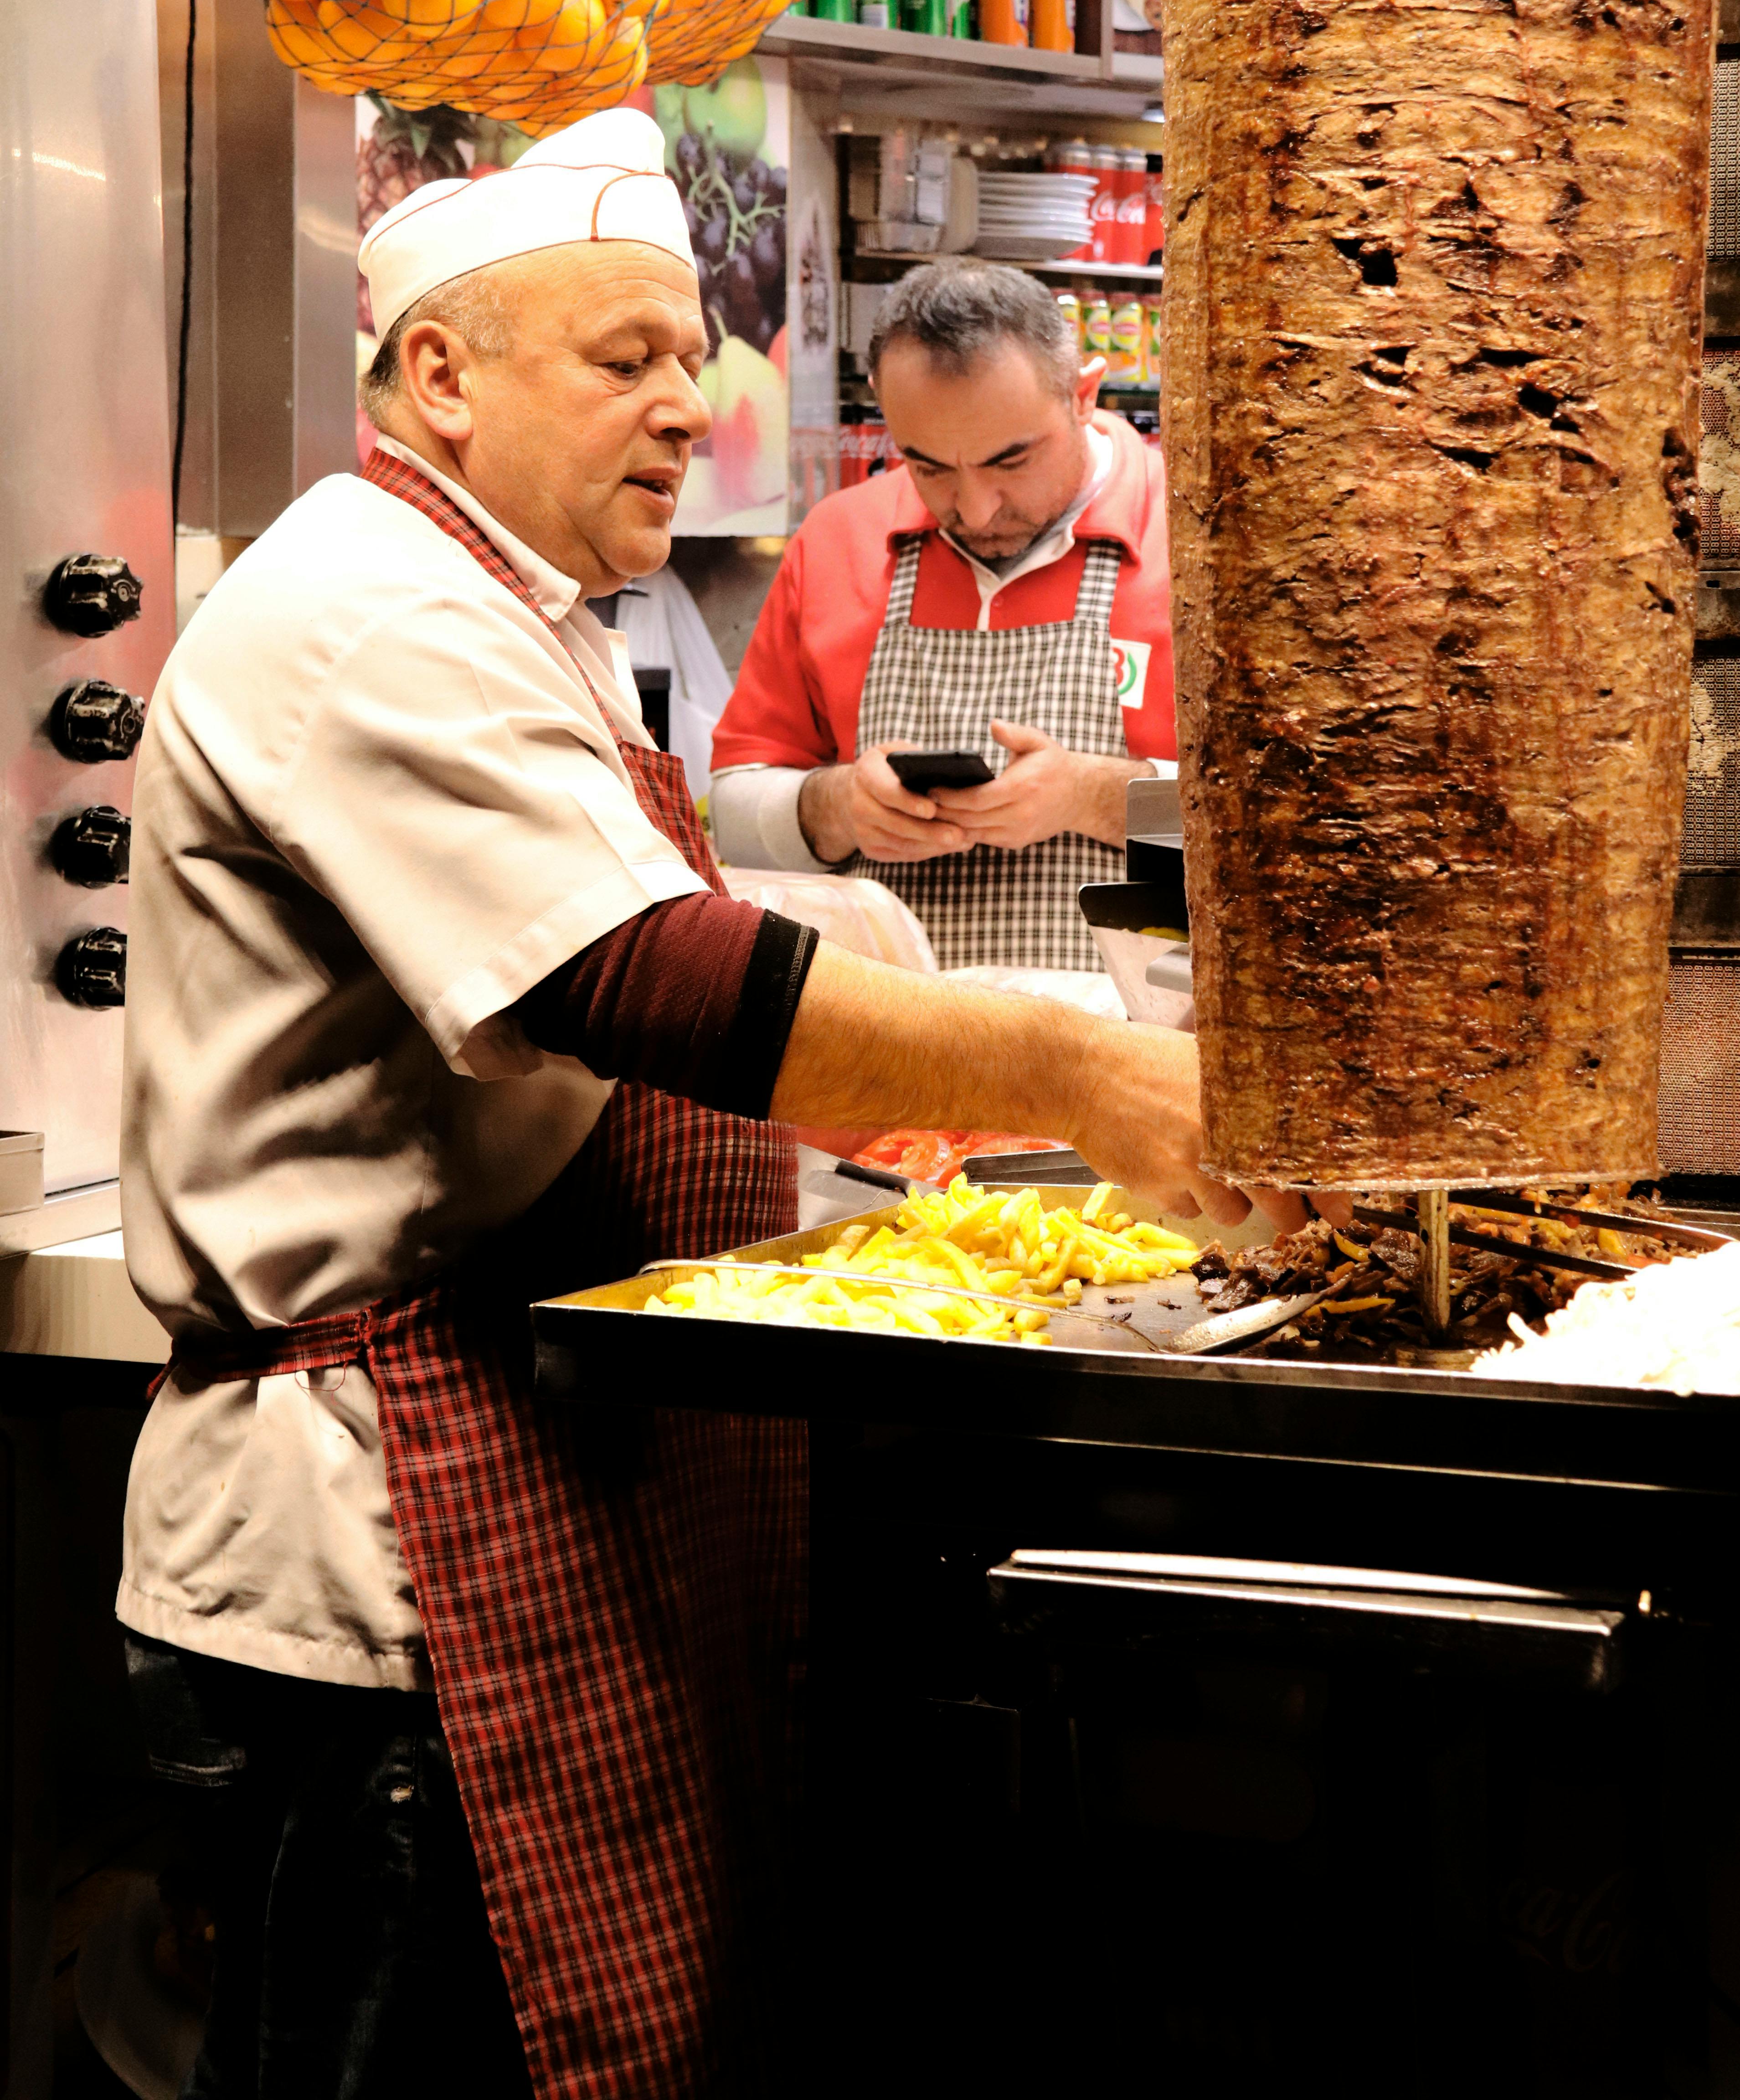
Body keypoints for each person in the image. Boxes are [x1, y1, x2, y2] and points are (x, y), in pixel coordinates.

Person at [115, 114, 1309, 2100]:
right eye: (621, 361)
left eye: (693, 351)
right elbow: (633, 980)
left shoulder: (516, 611)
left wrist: (857, 977)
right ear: (440, 376)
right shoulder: (377, 614)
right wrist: (1081, 1071)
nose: (691, 401)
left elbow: (657, 919)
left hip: (517, 1476)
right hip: (377, 1538)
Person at [709, 259, 1174, 971]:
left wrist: (1091, 796)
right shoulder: (839, 540)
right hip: (889, 1049)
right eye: (930, 468)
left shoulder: (1193, 536)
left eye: (1011, 461)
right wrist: (836, 808)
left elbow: (1286, 822)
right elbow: (731, 817)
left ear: (1084, 395)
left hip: (1132, 1051)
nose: (976, 509)